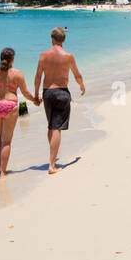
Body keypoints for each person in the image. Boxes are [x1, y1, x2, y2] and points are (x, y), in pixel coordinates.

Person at [34, 27, 85, 174]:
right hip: (62, 92)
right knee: (56, 127)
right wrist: (81, 86)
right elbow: (77, 74)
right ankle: (52, 165)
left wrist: (36, 94)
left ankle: (52, 156)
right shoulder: (68, 56)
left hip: (48, 92)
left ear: (52, 39)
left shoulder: (44, 55)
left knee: (51, 126)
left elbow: (38, 76)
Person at [0, 47, 38, 178]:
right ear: (12, 59)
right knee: (7, 141)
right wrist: (35, 100)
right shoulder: (17, 73)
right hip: (10, 106)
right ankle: (4, 172)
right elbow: (25, 93)